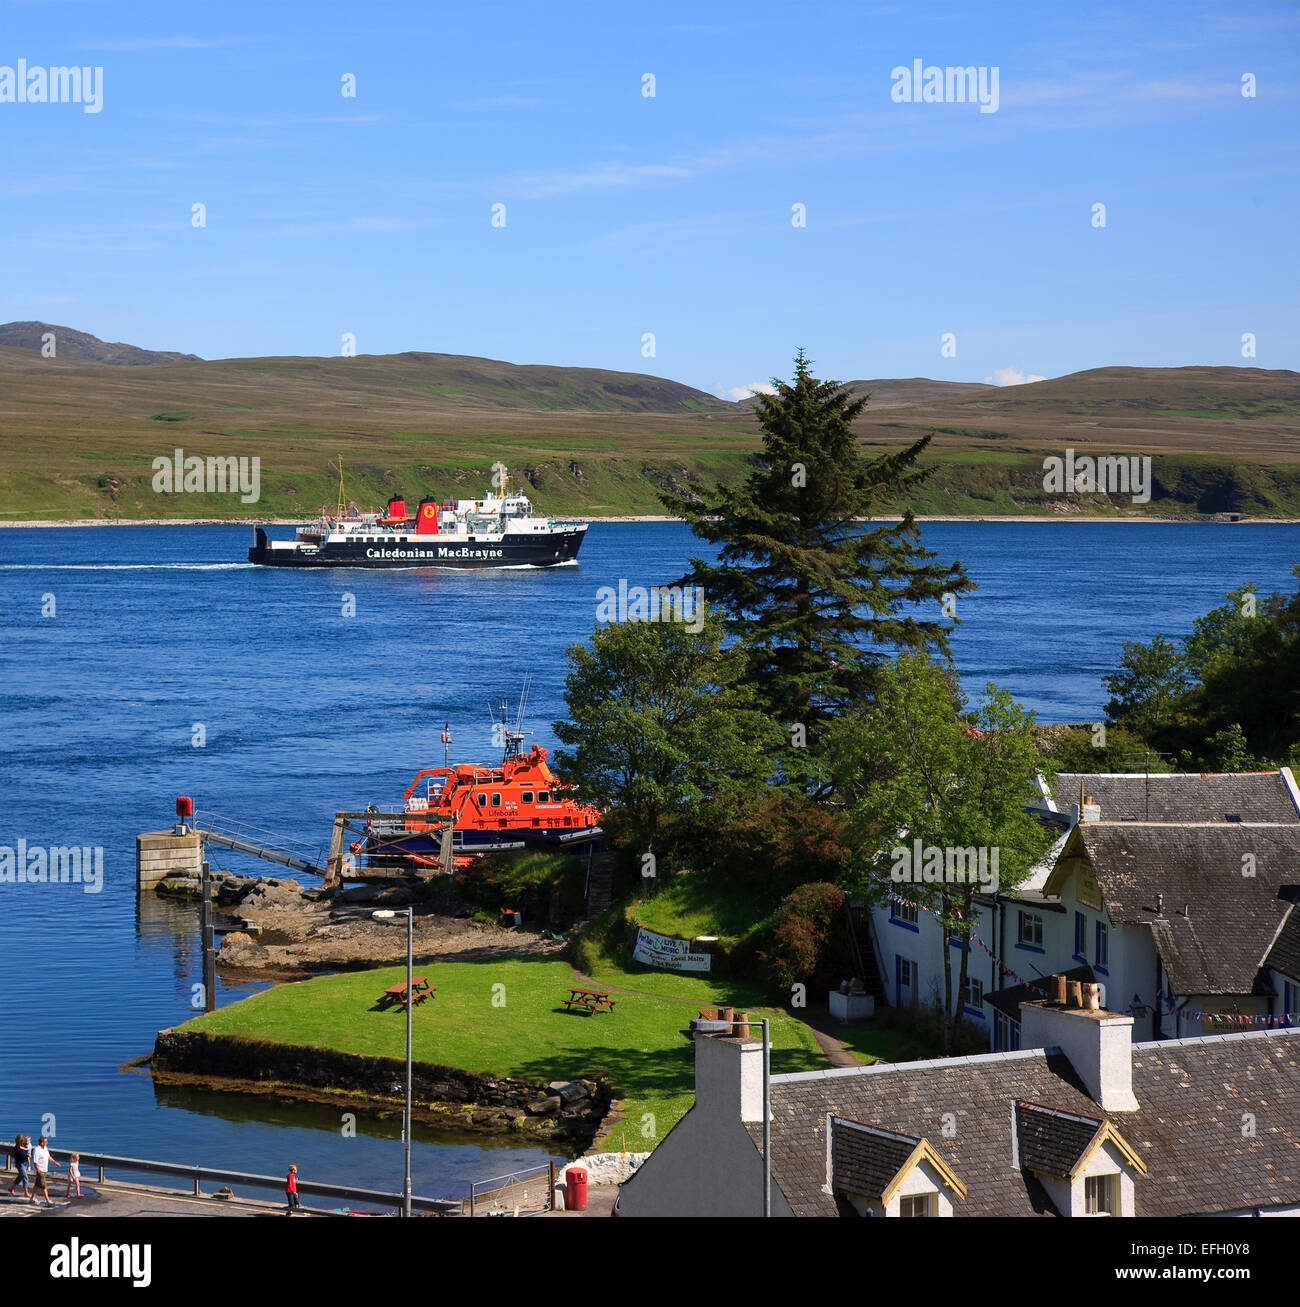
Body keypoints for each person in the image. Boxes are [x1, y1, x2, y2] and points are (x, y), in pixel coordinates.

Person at [30, 1136, 59, 1207]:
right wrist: (39, 1171)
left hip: (45, 1170)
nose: (47, 1143)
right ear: (41, 1142)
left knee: (37, 1185)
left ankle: (32, 1198)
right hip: (40, 1170)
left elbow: (48, 1157)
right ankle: (48, 1200)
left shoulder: (45, 1148)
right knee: (44, 1186)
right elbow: (35, 1162)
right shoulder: (37, 1150)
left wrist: (55, 1162)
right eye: (45, 1142)